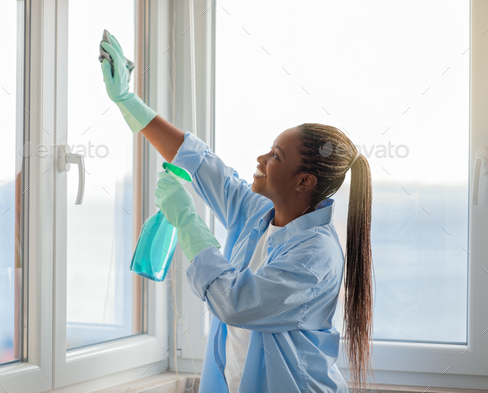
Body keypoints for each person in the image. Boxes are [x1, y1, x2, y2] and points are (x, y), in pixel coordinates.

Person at [100, 32, 374, 393]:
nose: (261, 159)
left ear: (303, 181)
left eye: (276, 156)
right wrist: (127, 100)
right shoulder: (258, 214)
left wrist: (186, 220)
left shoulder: (315, 256)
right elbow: (199, 162)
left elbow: (235, 303)